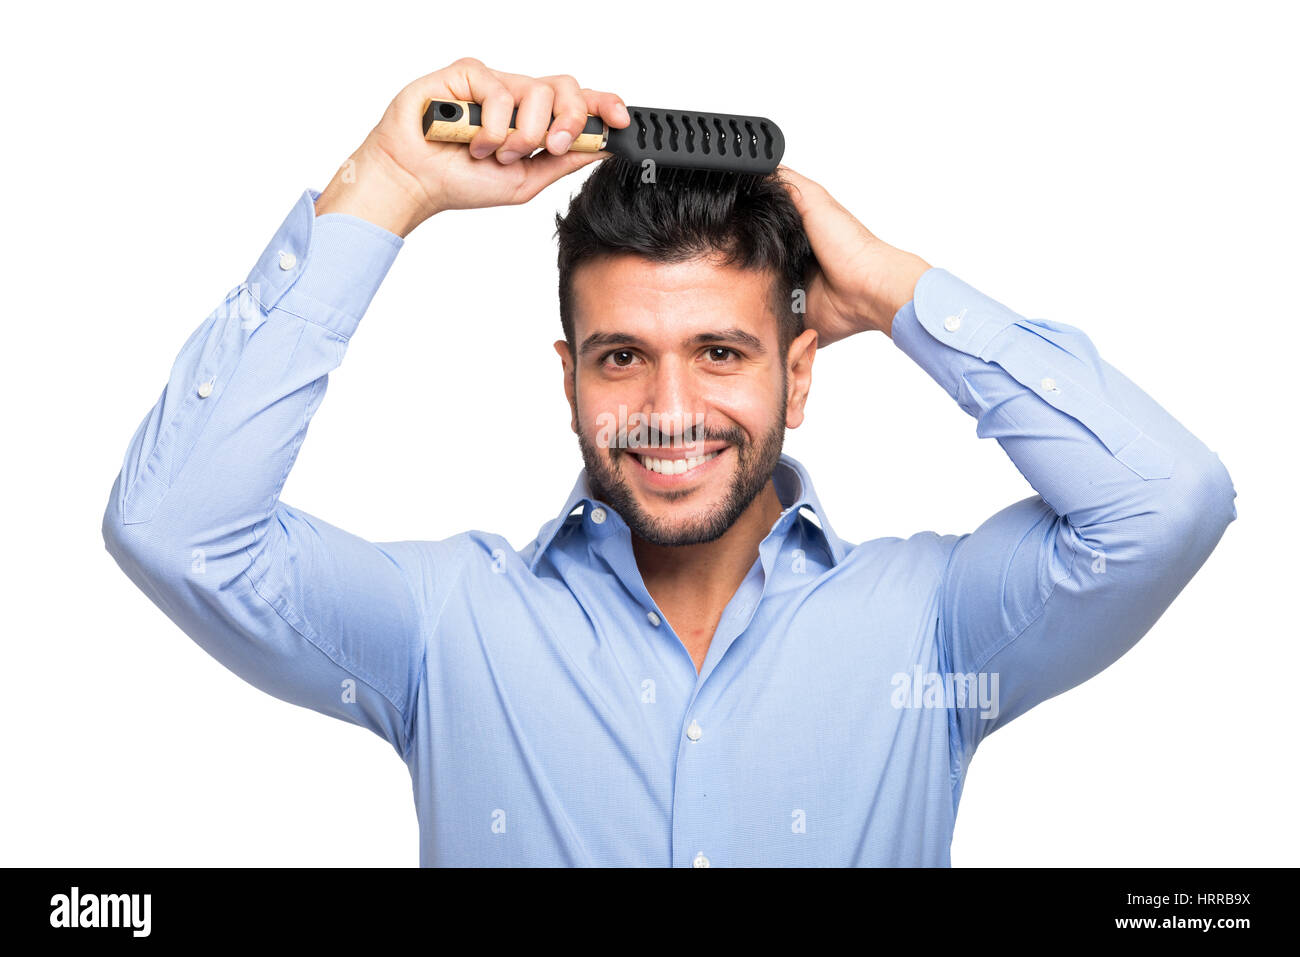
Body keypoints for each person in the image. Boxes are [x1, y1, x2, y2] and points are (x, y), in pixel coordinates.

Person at [103, 58, 1237, 866]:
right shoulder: (443, 628)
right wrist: (385, 187)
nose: (668, 411)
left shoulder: (935, 628)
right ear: (567, 380)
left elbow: (1166, 502)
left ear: (799, 374)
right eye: (621, 357)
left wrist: (894, 289)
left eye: (721, 351)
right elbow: (175, 529)